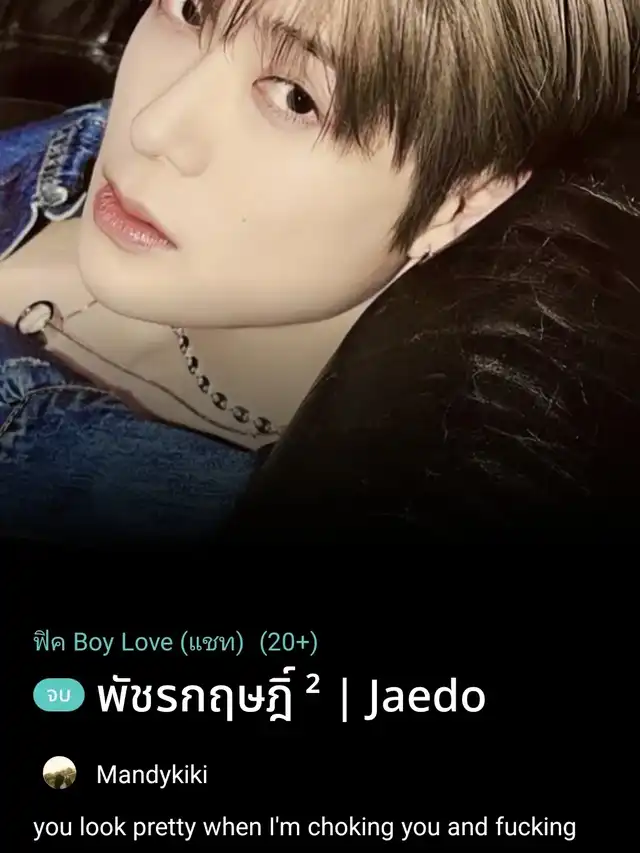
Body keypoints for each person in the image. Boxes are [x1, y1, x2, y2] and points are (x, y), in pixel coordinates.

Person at [1, 0, 637, 543]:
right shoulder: (73, 155)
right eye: (191, 10)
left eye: (295, 97)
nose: (151, 126)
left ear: (459, 204)